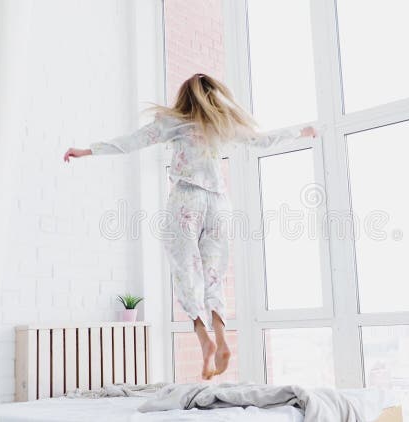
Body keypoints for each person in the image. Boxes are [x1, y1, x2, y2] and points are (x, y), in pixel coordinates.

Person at [64, 73, 317, 380]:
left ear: (184, 97)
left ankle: (204, 341)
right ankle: (222, 339)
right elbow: (263, 140)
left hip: (186, 199)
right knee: (213, 274)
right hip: (219, 203)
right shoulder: (222, 125)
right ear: (214, 96)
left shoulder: (175, 122)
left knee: (186, 272)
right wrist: (301, 131)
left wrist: (87, 150)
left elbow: (130, 143)